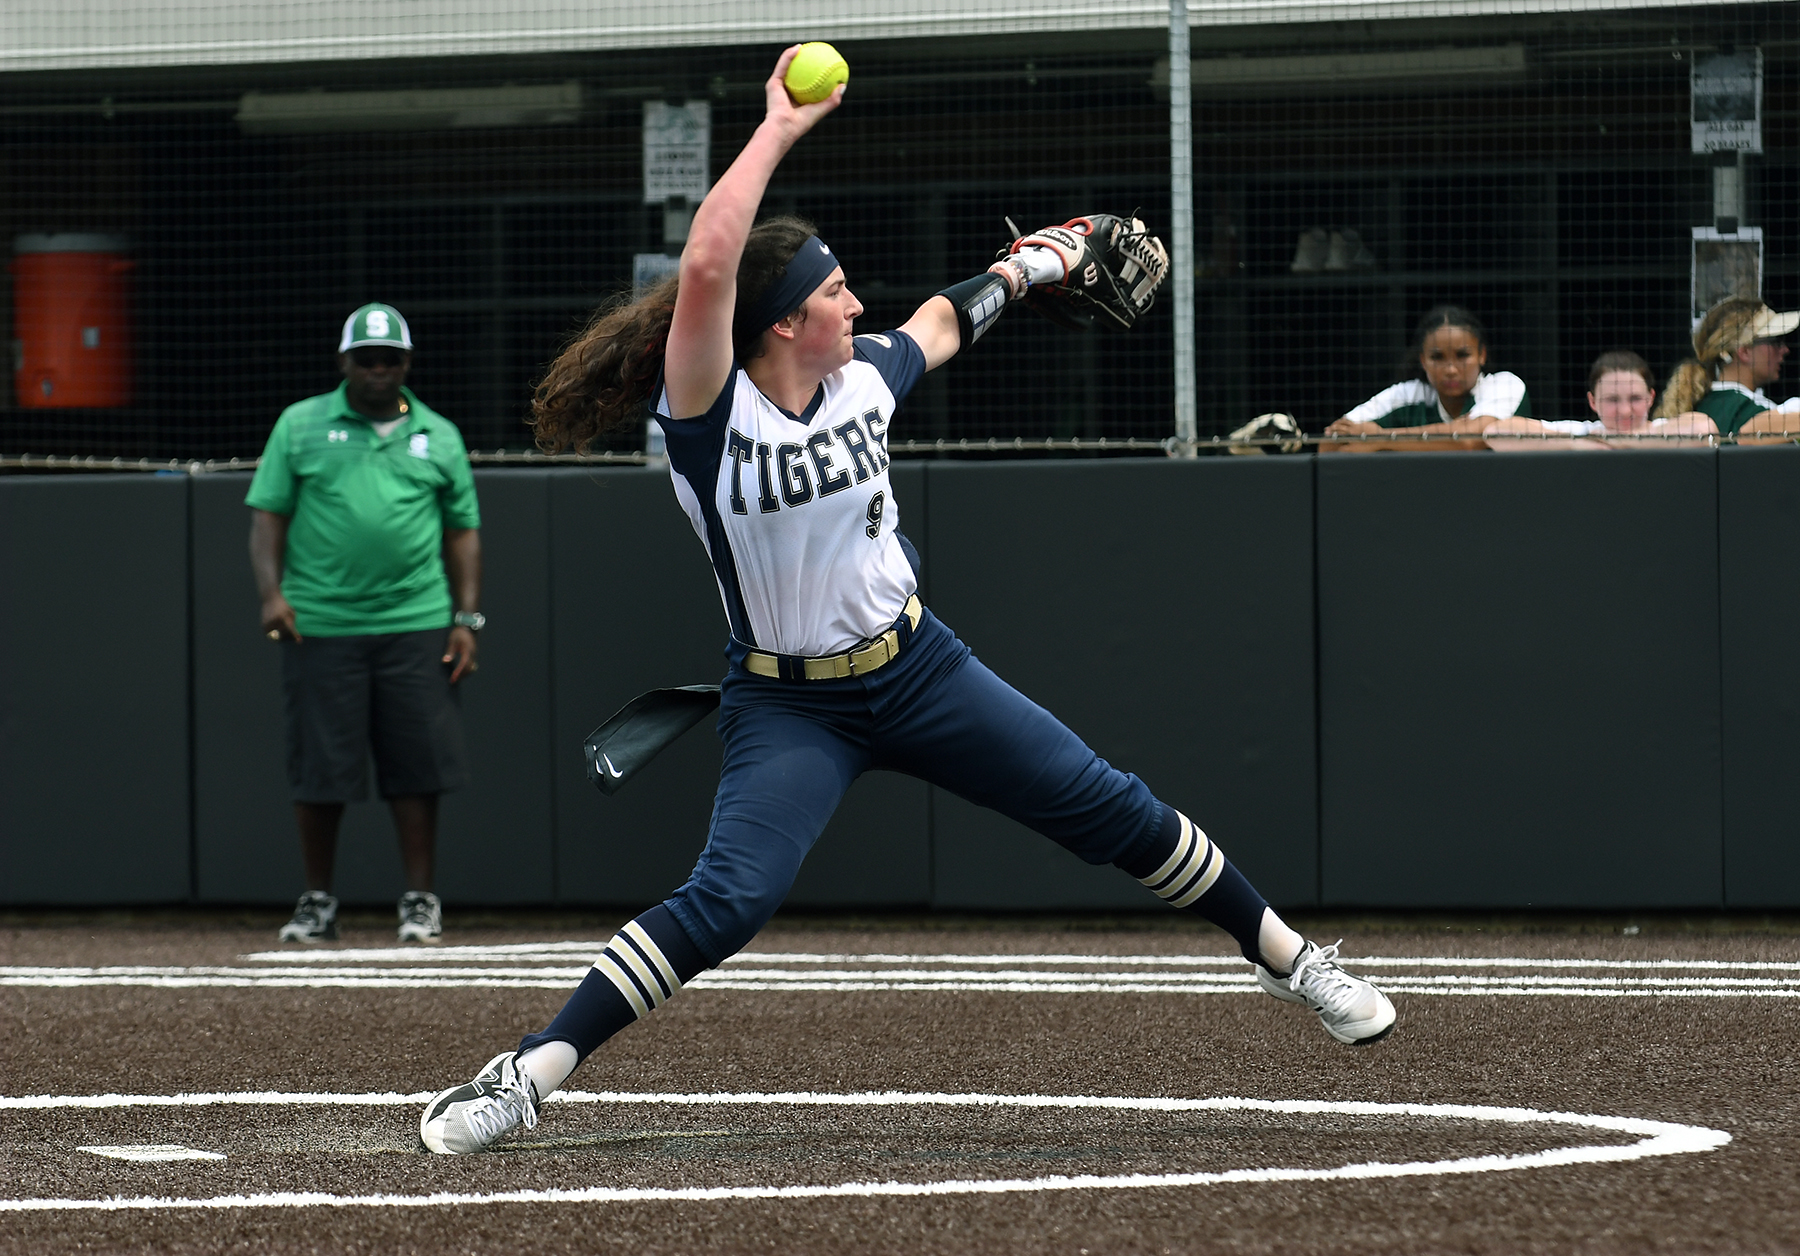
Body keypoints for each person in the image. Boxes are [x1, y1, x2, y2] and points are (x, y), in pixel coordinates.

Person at [417, 47, 1396, 1157]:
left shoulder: (866, 371)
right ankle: (528, 1071)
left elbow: (950, 312)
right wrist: (781, 125)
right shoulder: (706, 413)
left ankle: (1293, 960)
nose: (856, 299)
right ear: (782, 321)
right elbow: (705, 267)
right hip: (790, 706)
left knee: (1114, 808)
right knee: (731, 897)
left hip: (919, 668)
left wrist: (1042, 262)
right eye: (834, 289)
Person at [246, 303, 483, 945]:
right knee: (321, 766)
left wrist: (465, 617)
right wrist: (271, 595)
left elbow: (463, 532)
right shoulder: (300, 425)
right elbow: (268, 515)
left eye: (390, 360)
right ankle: (318, 902)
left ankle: (418, 901)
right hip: (320, 622)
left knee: (417, 765)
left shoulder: (439, 433)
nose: (378, 371)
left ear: (406, 364)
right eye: (366, 360)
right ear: (343, 362)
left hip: (417, 620)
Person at [1324, 305, 1529, 449]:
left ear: (1482, 355)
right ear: (1422, 361)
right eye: (1437, 357)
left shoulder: (1506, 385)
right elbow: (1329, 445)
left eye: (1462, 355)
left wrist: (1382, 439)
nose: (1450, 369)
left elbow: (1467, 440)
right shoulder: (1408, 394)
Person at [1483, 351, 1714, 450]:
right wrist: (1574, 443)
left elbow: (1704, 429)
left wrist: (1622, 441)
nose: (1625, 411)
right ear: (1592, 402)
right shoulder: (1581, 432)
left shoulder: (1666, 429)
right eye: (1612, 400)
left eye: (1635, 398)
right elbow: (1495, 433)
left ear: (1651, 398)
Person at [1654, 297, 1799, 441]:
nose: (1785, 349)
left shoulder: (1691, 405)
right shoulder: (1760, 413)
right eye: (1775, 342)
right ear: (1744, 351)